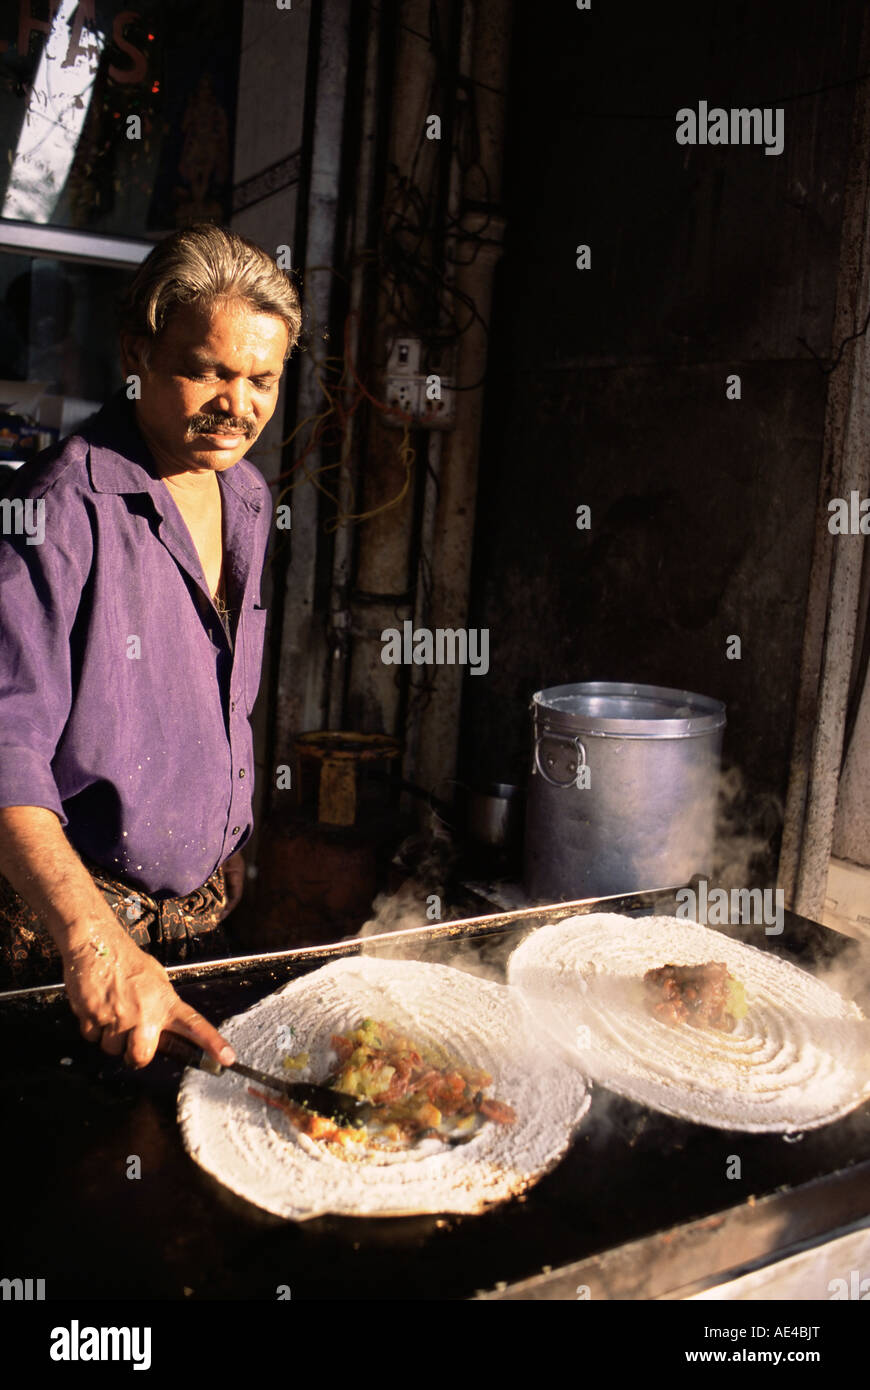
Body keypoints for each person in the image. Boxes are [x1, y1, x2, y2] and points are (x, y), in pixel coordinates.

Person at [0, 222, 301, 1069]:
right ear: (138, 351)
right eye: (206, 369)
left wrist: (225, 832)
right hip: (66, 944)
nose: (236, 404)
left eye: (261, 380)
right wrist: (92, 944)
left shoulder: (245, 496)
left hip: (195, 920)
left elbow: (218, 690)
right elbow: (5, 745)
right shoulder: (61, 507)